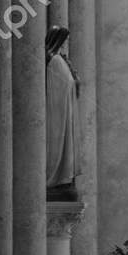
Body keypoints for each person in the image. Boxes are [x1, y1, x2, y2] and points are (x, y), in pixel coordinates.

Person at [46, 25, 79, 200]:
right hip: (58, 111)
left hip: (64, 110)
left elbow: (69, 82)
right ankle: (56, 178)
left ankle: (62, 179)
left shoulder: (59, 60)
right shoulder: (56, 61)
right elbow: (62, 84)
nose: (66, 45)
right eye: (64, 41)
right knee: (58, 143)